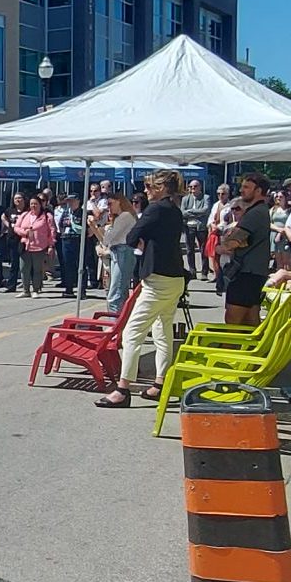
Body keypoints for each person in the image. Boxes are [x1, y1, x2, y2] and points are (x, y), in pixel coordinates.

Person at [97, 170, 190, 409]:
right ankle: (160, 383)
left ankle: (122, 388)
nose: (145, 191)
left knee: (132, 333)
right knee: (162, 330)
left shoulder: (156, 208)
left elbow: (131, 237)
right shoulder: (174, 209)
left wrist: (143, 240)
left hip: (157, 279)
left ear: (161, 188)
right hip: (175, 277)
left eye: (149, 187)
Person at [222, 173, 273, 327]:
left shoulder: (256, 213)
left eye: (246, 187)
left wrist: (222, 245)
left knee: (233, 318)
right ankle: (254, 349)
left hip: (247, 272)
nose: (241, 190)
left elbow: (232, 242)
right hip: (255, 272)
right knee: (250, 316)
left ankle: (229, 349)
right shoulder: (260, 210)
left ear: (258, 191)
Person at [96, 192, 137, 315]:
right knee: (120, 292)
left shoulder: (125, 216)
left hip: (123, 252)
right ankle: (121, 327)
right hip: (118, 252)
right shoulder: (120, 217)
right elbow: (106, 240)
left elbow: (107, 239)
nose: (108, 207)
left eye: (110, 203)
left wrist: (95, 226)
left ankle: (114, 327)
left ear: (119, 201)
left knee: (115, 295)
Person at [11, 195, 54, 298]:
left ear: (40, 205)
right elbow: (16, 227)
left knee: (37, 269)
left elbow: (51, 232)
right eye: (31, 204)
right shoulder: (25, 215)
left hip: (39, 246)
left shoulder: (47, 216)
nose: (33, 206)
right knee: (24, 268)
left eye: (35, 204)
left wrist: (51, 245)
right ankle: (26, 290)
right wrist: (24, 232)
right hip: (25, 246)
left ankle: (36, 289)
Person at [53, 192, 84, 297]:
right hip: (66, 239)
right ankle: (69, 289)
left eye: (72, 201)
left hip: (78, 240)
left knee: (80, 265)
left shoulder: (83, 213)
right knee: (67, 265)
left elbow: (88, 227)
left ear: (78, 201)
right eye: (68, 201)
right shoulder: (66, 212)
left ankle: (82, 290)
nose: (69, 203)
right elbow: (60, 224)